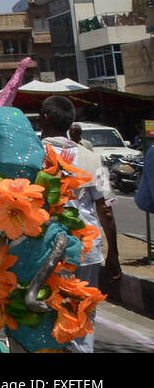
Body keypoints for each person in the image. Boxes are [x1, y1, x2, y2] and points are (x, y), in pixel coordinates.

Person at [38, 95, 120, 351]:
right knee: (82, 313)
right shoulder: (93, 158)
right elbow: (106, 208)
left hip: (46, 250)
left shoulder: (33, 154)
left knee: (48, 313)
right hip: (87, 250)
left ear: (45, 119)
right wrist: (113, 253)